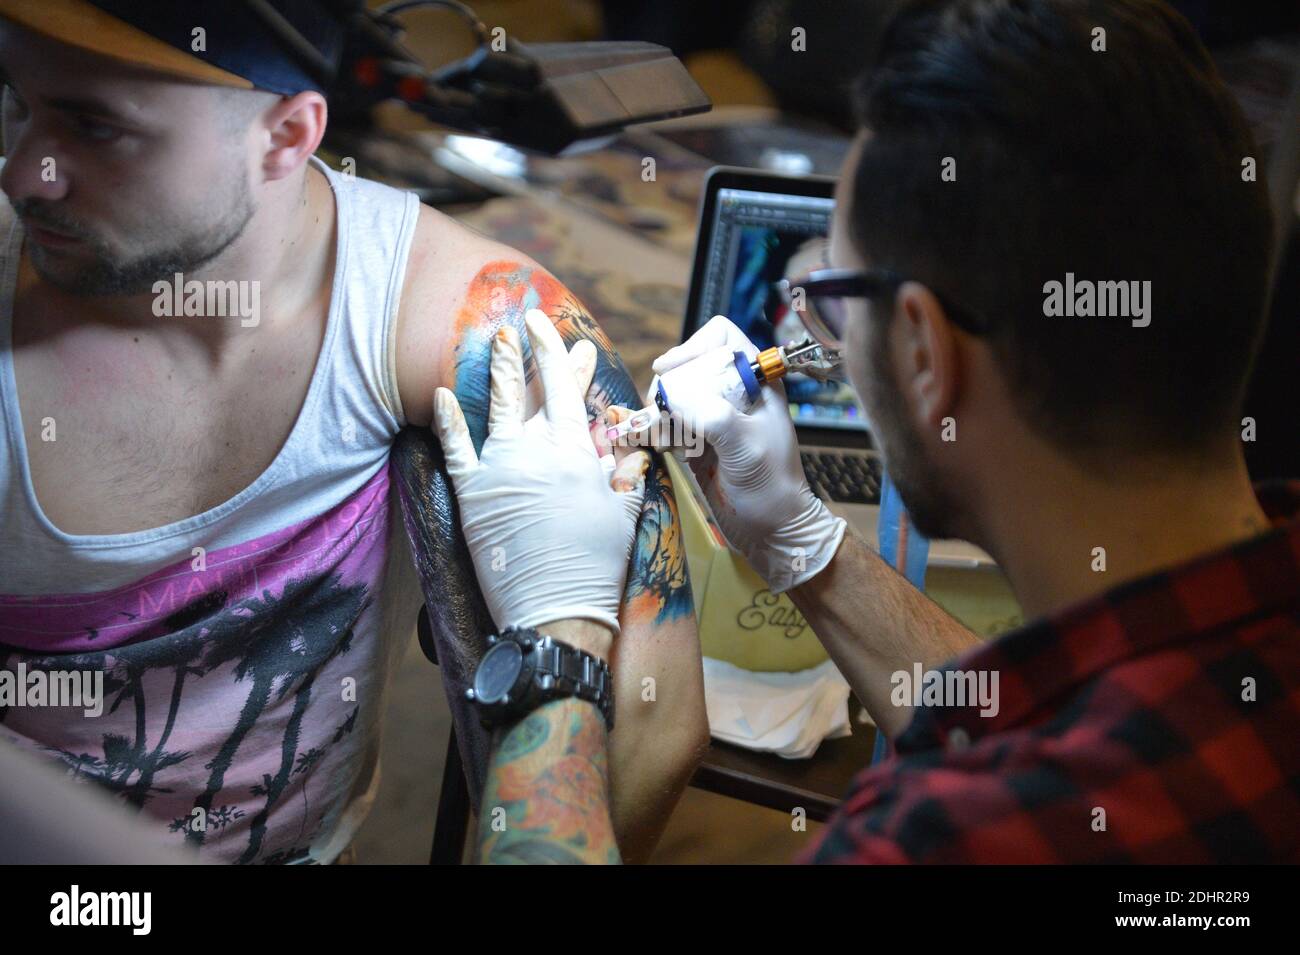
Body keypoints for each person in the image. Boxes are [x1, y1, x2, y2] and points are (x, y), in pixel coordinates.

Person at [436, 0, 1299, 863]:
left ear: (924, 351)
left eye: (842, 297)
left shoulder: (934, 835)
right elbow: (1041, 708)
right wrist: (803, 545)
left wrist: (560, 647)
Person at [0, 0, 705, 864]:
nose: (24, 174)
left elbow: (657, 722)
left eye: (96, 127)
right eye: (17, 103)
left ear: (288, 134)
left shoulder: (464, 318)